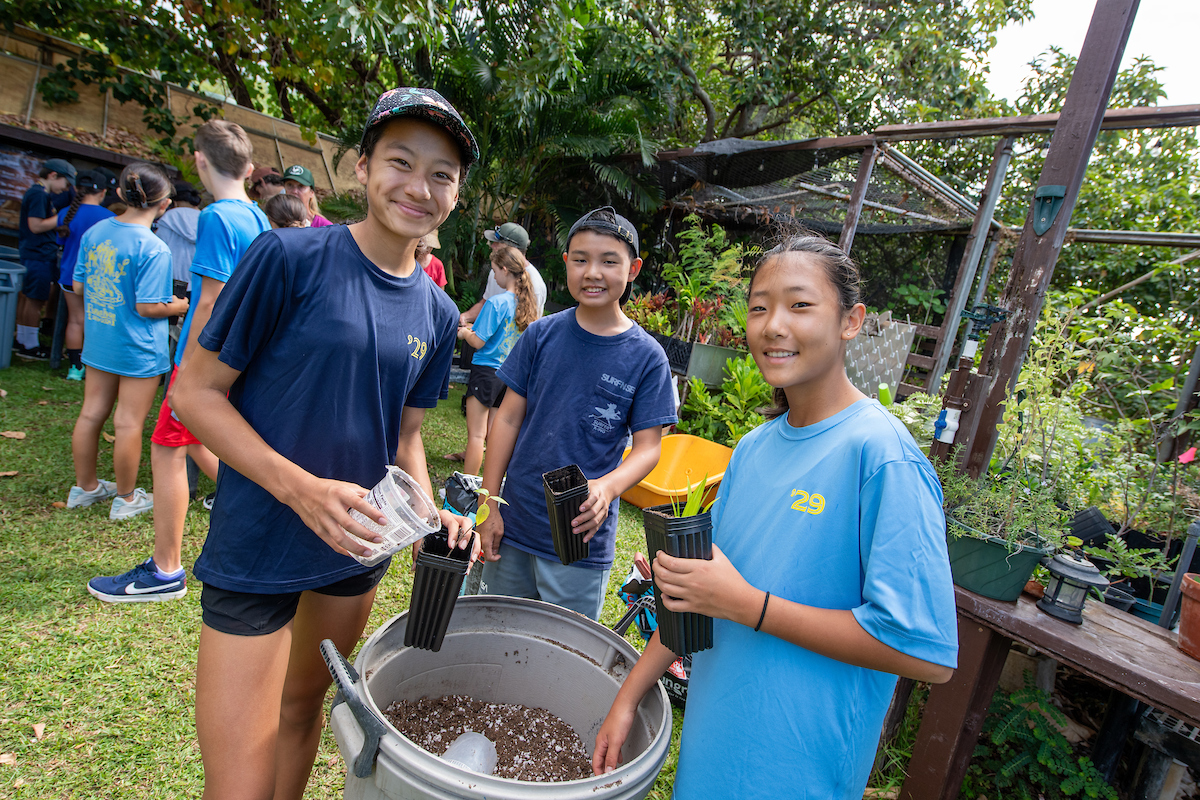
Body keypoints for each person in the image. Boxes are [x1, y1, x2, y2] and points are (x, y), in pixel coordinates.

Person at [170, 87, 478, 799]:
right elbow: (195, 395)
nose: (419, 187)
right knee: (238, 785)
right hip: (259, 540)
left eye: (441, 174)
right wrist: (301, 490)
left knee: (304, 705)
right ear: (363, 167)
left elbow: (405, 437)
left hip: (357, 546)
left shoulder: (437, 311)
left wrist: (428, 514)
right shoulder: (288, 258)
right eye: (401, 162)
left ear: (456, 195)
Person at [590, 232, 959, 799]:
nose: (773, 325)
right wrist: (628, 695)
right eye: (759, 307)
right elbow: (701, 593)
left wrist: (748, 605)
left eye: (800, 305)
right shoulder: (752, 449)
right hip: (713, 748)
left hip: (798, 770)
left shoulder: (882, 456)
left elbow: (924, 652)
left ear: (851, 321)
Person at [87, 119, 270, 603]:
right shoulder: (256, 216)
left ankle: (165, 569)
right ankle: (270, 505)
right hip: (236, 355)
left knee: (166, 447)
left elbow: (210, 299)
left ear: (199, 160)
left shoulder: (216, 216)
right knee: (196, 442)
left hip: (206, 358)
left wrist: (189, 371)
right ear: (248, 168)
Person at [475, 207, 676, 620]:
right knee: (495, 633)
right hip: (514, 523)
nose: (592, 273)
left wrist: (607, 487)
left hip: (580, 537)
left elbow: (649, 448)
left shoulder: (647, 358)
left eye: (609, 261)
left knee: (560, 648)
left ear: (633, 269)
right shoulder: (541, 334)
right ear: (566, 262)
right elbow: (507, 420)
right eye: (581, 259)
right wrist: (488, 503)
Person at [67, 163, 189, 519]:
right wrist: (181, 305)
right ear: (164, 204)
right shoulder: (154, 248)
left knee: (91, 413)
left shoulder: (95, 232)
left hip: (100, 340)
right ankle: (126, 498)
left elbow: (78, 286)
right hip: (138, 350)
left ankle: (85, 488)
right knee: (128, 422)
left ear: (120, 193)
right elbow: (148, 307)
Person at [454, 244, 537, 476]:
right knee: (493, 435)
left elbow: (478, 341)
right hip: (507, 377)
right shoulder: (526, 305)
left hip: (485, 373)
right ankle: (490, 485)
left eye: (494, 270)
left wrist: (464, 333)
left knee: (476, 435)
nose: (493, 275)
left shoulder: (496, 302)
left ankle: (467, 486)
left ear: (504, 269)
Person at [55, 170, 115, 380]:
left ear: (76, 189)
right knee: (97, 322)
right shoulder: (110, 218)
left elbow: (61, 243)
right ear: (103, 192)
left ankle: (75, 367)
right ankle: (95, 366)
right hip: (99, 279)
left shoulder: (65, 213)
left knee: (75, 320)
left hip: (69, 276)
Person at [15, 157, 76, 360]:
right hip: (38, 253)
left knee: (29, 296)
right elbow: (35, 225)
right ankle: (30, 345)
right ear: (53, 175)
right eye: (65, 183)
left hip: (34, 252)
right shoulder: (39, 194)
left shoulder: (39, 193)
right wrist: (62, 217)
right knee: (35, 299)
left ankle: (23, 340)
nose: (66, 188)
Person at [458, 221, 546, 324]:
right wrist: (464, 317)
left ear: (511, 249)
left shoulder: (535, 284)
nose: (492, 246)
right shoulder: (496, 271)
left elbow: (529, 325)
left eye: (497, 242)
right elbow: (485, 304)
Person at [156, 179, 203, 284]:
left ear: (174, 201)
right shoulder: (205, 217)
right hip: (198, 281)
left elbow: (159, 247)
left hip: (172, 279)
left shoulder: (169, 217)